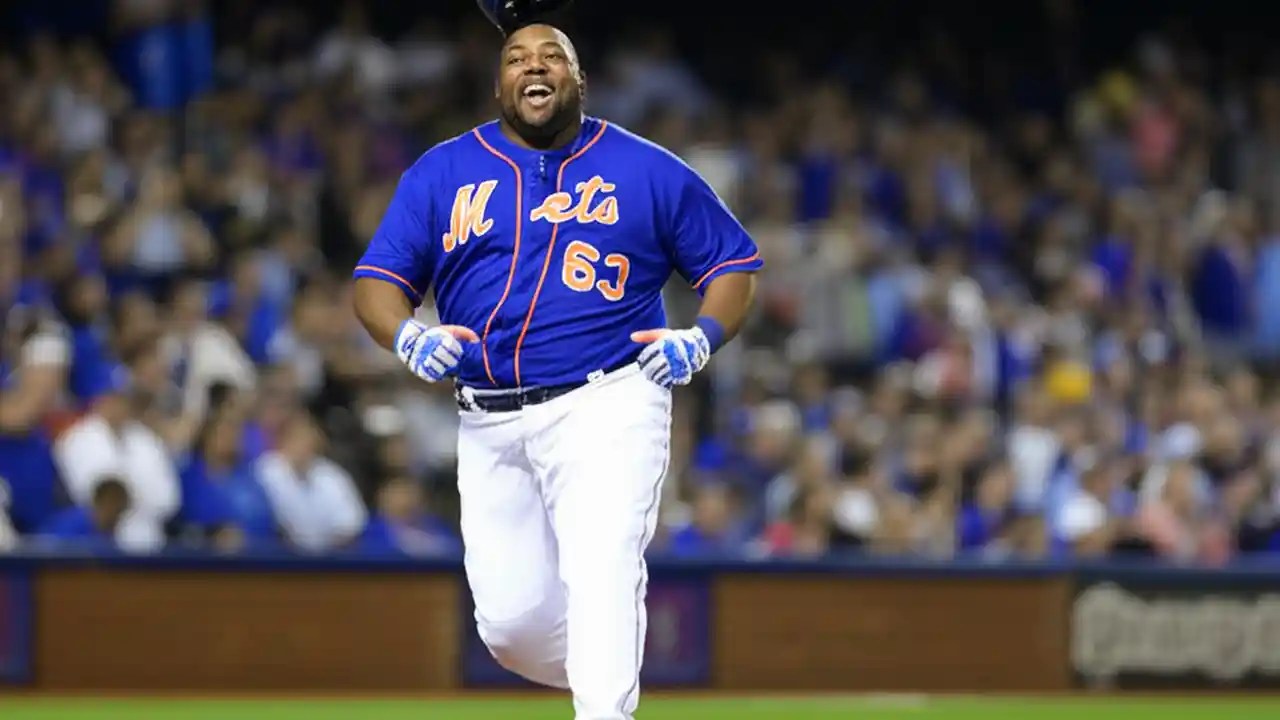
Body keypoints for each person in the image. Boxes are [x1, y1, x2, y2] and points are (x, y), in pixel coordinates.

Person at [351, 21, 760, 720]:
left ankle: (605, 699)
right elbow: (374, 285)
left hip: (609, 401)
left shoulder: (645, 168)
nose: (534, 67)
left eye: (552, 57)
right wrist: (405, 337)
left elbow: (734, 266)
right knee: (509, 630)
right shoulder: (444, 170)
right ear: (499, 83)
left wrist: (703, 336)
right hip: (487, 417)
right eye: (517, 58)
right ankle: (610, 650)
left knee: (601, 570)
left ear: (579, 81)